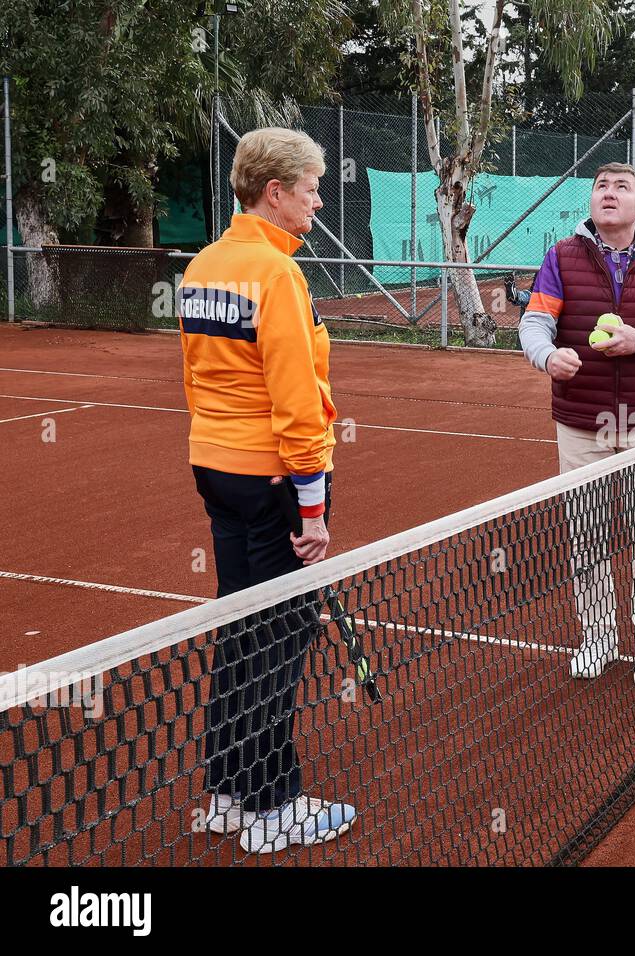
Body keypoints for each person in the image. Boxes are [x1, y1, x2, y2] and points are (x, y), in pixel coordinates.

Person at [178, 127, 355, 853]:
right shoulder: (277, 276)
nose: (319, 200)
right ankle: (272, 805)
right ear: (275, 193)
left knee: (241, 626)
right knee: (280, 636)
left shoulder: (202, 265)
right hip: (275, 478)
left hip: (216, 468)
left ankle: (225, 792)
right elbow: (296, 401)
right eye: (311, 188)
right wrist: (311, 510)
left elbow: (197, 379)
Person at [518, 162, 635, 687]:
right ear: (592, 202)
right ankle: (596, 639)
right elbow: (534, 323)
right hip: (580, 421)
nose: (609, 193)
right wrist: (547, 357)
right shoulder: (561, 257)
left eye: (622, 187)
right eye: (601, 186)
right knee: (590, 537)